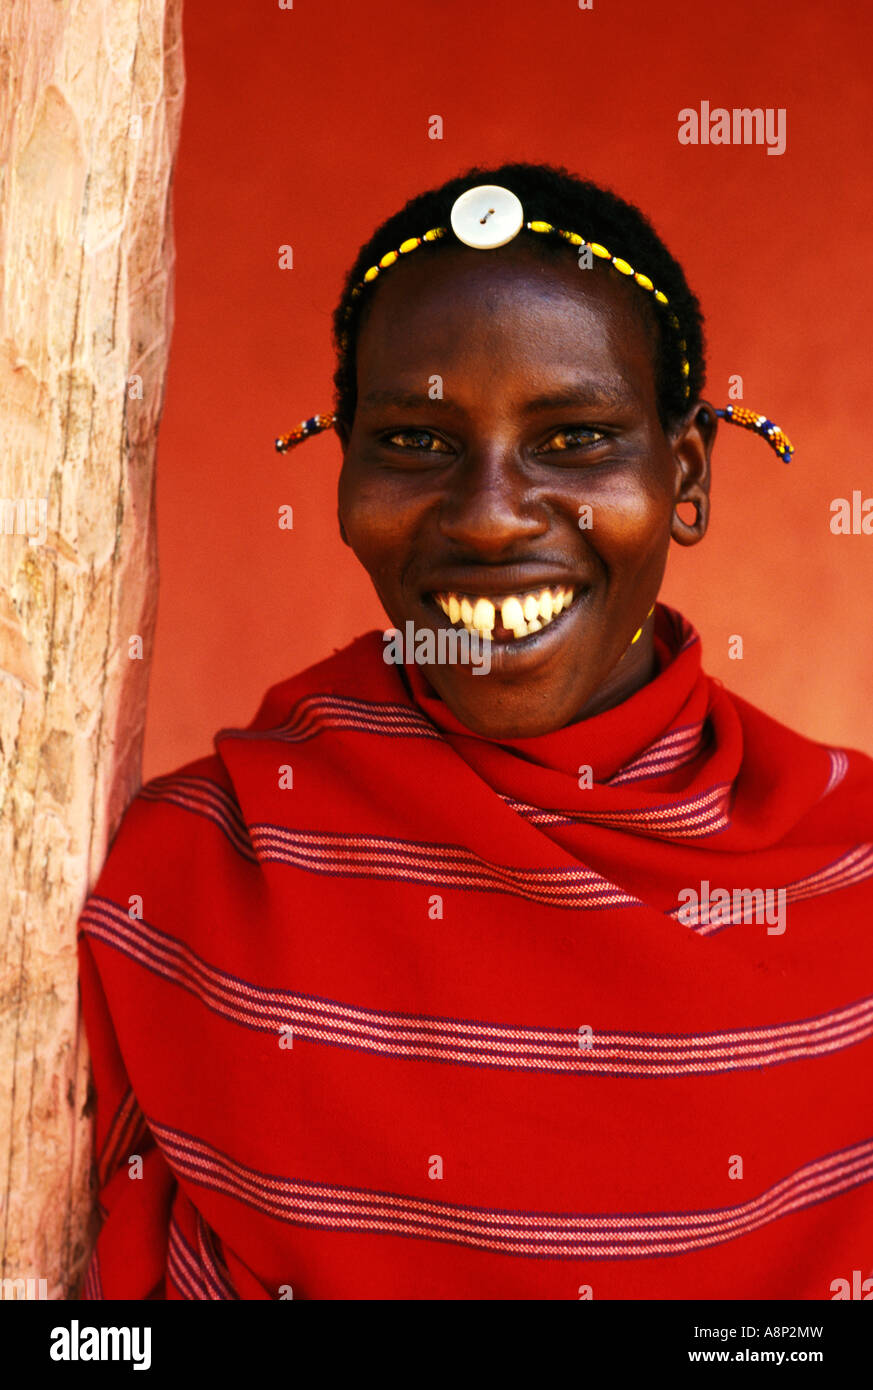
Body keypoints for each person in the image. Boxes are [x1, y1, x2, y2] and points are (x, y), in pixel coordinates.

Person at [77, 163, 873, 1300]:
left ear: (686, 476)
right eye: (417, 440)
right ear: (346, 471)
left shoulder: (852, 872)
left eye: (577, 438)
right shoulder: (196, 870)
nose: (493, 516)